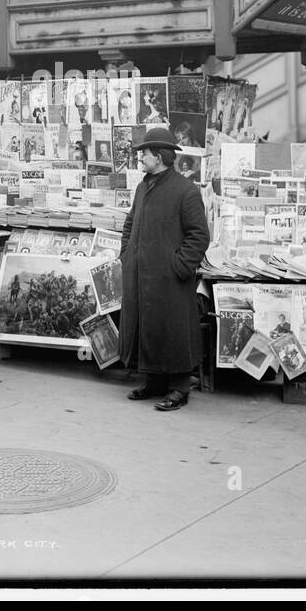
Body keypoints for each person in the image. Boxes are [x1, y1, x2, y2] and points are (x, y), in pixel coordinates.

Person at [118, 126, 211, 411]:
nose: (141, 156)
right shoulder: (142, 186)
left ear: (159, 156)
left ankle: (180, 388)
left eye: (144, 152)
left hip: (169, 279)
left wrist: (178, 266)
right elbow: (130, 223)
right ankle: (154, 381)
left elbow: (199, 236)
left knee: (171, 330)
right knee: (148, 327)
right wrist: (126, 254)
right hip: (140, 275)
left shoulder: (185, 191)